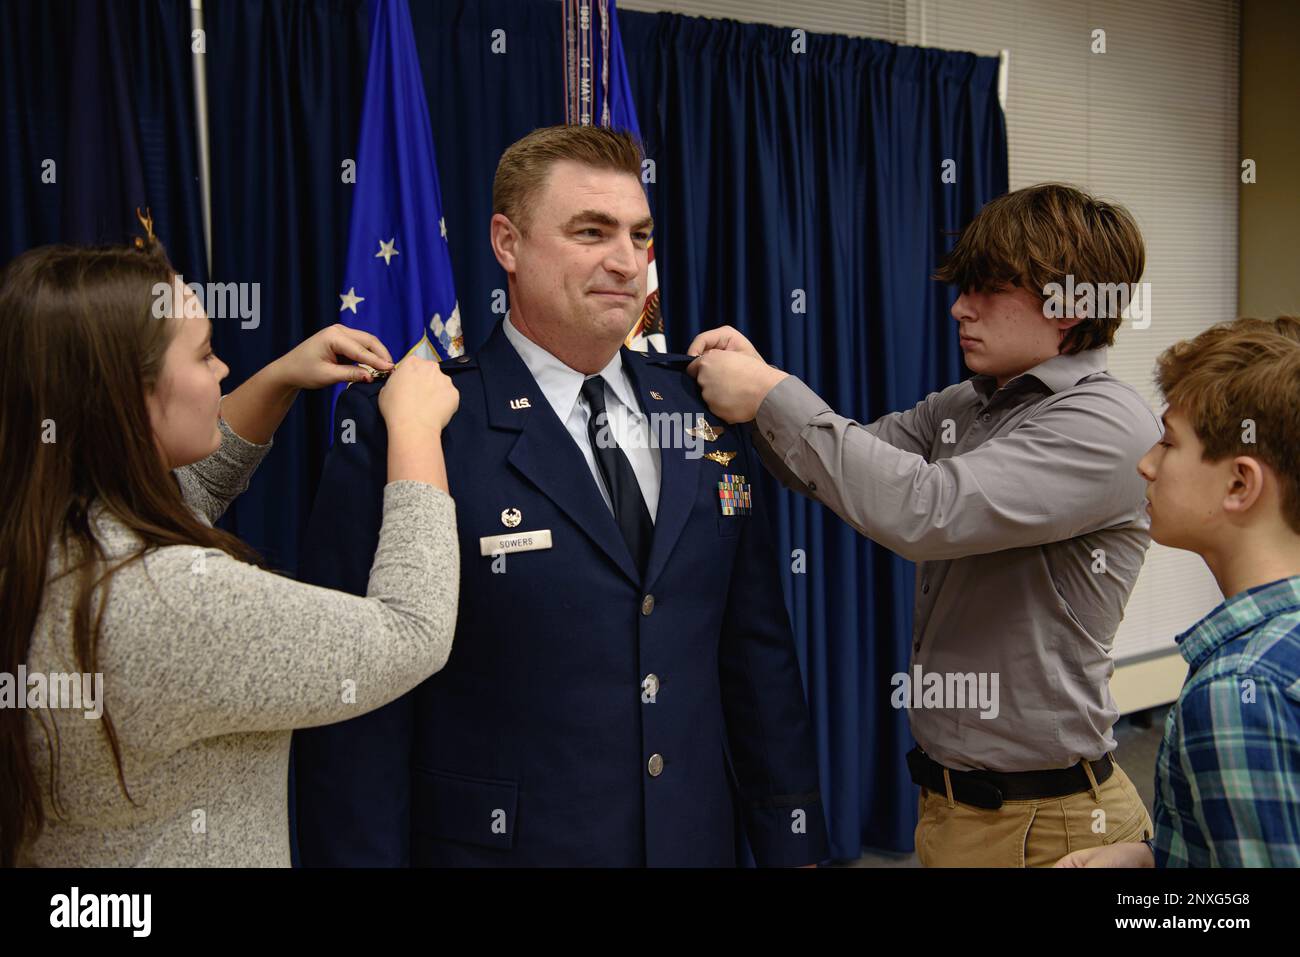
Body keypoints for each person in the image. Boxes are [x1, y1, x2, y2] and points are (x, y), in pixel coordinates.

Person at [293, 124, 829, 867]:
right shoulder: (415, 420)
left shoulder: (704, 408)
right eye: (591, 231)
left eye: (640, 235)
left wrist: (793, 843)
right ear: (507, 244)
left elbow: (756, 654)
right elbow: (356, 702)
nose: (626, 261)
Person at [688, 184, 1160, 867]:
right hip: (957, 809)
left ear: (1070, 305)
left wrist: (769, 392)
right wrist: (760, 388)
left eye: (989, 289)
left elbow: (924, 509)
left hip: (1047, 823)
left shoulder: (1105, 425)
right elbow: (835, 467)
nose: (959, 307)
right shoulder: (971, 404)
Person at [0, 240, 461, 867]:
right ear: (128, 398)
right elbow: (412, 633)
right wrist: (413, 429)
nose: (223, 371)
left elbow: (181, 495)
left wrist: (278, 379)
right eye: (206, 355)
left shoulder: (46, 527)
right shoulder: (167, 602)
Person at [1057, 316, 1300, 868]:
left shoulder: (1241, 693)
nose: (1146, 463)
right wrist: (1154, 857)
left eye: (1168, 442)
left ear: (1240, 483)